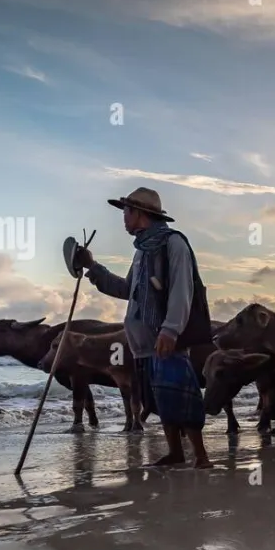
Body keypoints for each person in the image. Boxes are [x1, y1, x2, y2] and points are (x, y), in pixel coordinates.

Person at [75, 186, 213, 468]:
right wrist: (92, 267)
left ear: (140, 213)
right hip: (143, 343)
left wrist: (170, 330)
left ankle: (201, 456)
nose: (123, 217)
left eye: (126, 211)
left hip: (164, 339)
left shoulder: (173, 244)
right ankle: (175, 453)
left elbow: (182, 290)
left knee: (180, 395)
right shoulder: (141, 252)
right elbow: (127, 290)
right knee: (160, 400)